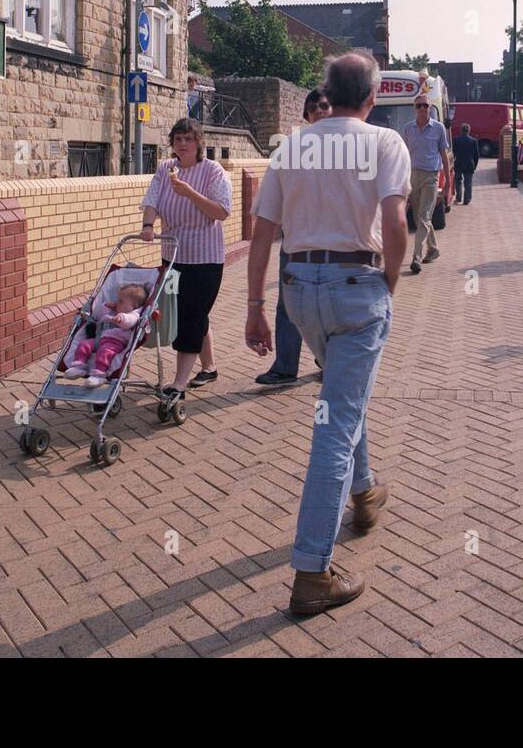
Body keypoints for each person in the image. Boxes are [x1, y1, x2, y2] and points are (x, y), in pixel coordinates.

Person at [245, 52, 410, 615]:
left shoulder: (292, 145)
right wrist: (386, 284)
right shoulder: (385, 143)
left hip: (299, 291)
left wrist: (254, 305)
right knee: (335, 425)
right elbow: (395, 224)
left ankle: (364, 496)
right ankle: (312, 572)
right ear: (371, 97)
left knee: (340, 396)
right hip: (355, 284)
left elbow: (261, 232)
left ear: (326, 92)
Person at [140, 118, 232, 411]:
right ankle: (209, 367)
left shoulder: (213, 171)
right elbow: (153, 198)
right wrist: (147, 225)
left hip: (204, 258)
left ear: (199, 142)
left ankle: (178, 384)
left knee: (190, 317)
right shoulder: (165, 169)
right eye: (178, 139)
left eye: (188, 139)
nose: (182, 144)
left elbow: (221, 212)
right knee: (188, 313)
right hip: (172, 255)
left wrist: (188, 192)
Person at [255, 88, 332, 386]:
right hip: (296, 240)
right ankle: (285, 367)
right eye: (313, 108)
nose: (320, 111)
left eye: (325, 106)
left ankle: (329, 361)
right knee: (288, 304)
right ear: (307, 116)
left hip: (332, 244)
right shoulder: (290, 151)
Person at [400, 95, 451, 274]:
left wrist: (448, 185)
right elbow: (404, 156)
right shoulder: (408, 128)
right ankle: (434, 248)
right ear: (414, 108)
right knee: (418, 218)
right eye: (419, 105)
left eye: (425, 105)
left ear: (430, 107)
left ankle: (416, 257)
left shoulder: (439, 128)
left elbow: (444, 156)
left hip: (431, 176)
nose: (422, 108)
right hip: (413, 175)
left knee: (423, 216)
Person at [63, 283, 148, 384]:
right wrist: (106, 307)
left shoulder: (134, 314)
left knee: (105, 352)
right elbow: (99, 316)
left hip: (116, 343)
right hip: (100, 338)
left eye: (121, 301)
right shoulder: (113, 311)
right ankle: (78, 366)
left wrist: (121, 318)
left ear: (134, 306)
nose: (117, 303)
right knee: (84, 344)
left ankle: (99, 374)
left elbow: (130, 320)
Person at [451, 123, 480, 205]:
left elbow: (453, 153)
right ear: (469, 131)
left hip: (459, 163)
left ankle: (458, 197)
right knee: (468, 182)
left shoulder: (456, 139)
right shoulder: (474, 141)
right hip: (469, 164)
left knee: (458, 181)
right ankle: (467, 199)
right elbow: (476, 155)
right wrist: (475, 165)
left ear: (461, 130)